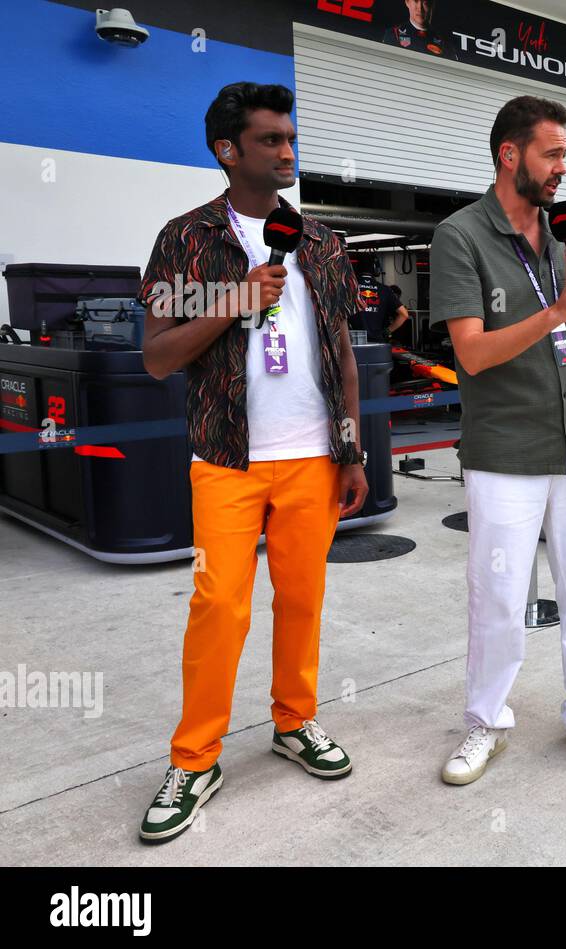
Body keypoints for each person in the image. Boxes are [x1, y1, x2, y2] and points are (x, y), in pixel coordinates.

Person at [136, 82, 369, 843]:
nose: (287, 150)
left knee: (301, 601)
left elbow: (341, 349)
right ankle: (195, 758)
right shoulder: (185, 238)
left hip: (312, 457)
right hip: (228, 458)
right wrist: (232, 301)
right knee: (219, 609)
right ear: (227, 151)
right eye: (269, 139)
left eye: (289, 137)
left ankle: (294, 721)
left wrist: (351, 447)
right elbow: (158, 359)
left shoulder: (323, 241)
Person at [428, 95, 566, 785]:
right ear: (510, 155)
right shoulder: (460, 236)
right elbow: (472, 355)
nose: (563, 167)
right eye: (553, 153)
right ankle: (485, 723)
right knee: (499, 596)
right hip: (504, 449)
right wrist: (558, 309)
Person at [352, 257, 408, 344]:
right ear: (375, 269)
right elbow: (404, 314)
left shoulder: (348, 288)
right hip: (378, 342)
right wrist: (387, 332)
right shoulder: (385, 289)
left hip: (354, 341)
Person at [381, 0, 453, 57]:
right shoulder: (394, 34)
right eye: (415, 1)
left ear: (432, 5)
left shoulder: (445, 43)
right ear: (407, 2)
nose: (420, 7)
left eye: (425, 2)